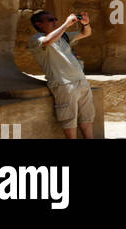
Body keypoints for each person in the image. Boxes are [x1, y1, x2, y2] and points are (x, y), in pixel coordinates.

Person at [27, 10, 97, 139]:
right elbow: (48, 41)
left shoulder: (63, 36)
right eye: (50, 20)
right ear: (38, 24)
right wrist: (66, 24)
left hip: (81, 81)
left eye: (55, 19)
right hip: (64, 84)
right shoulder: (36, 39)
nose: (55, 22)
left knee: (87, 118)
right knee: (69, 120)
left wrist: (86, 24)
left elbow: (85, 33)